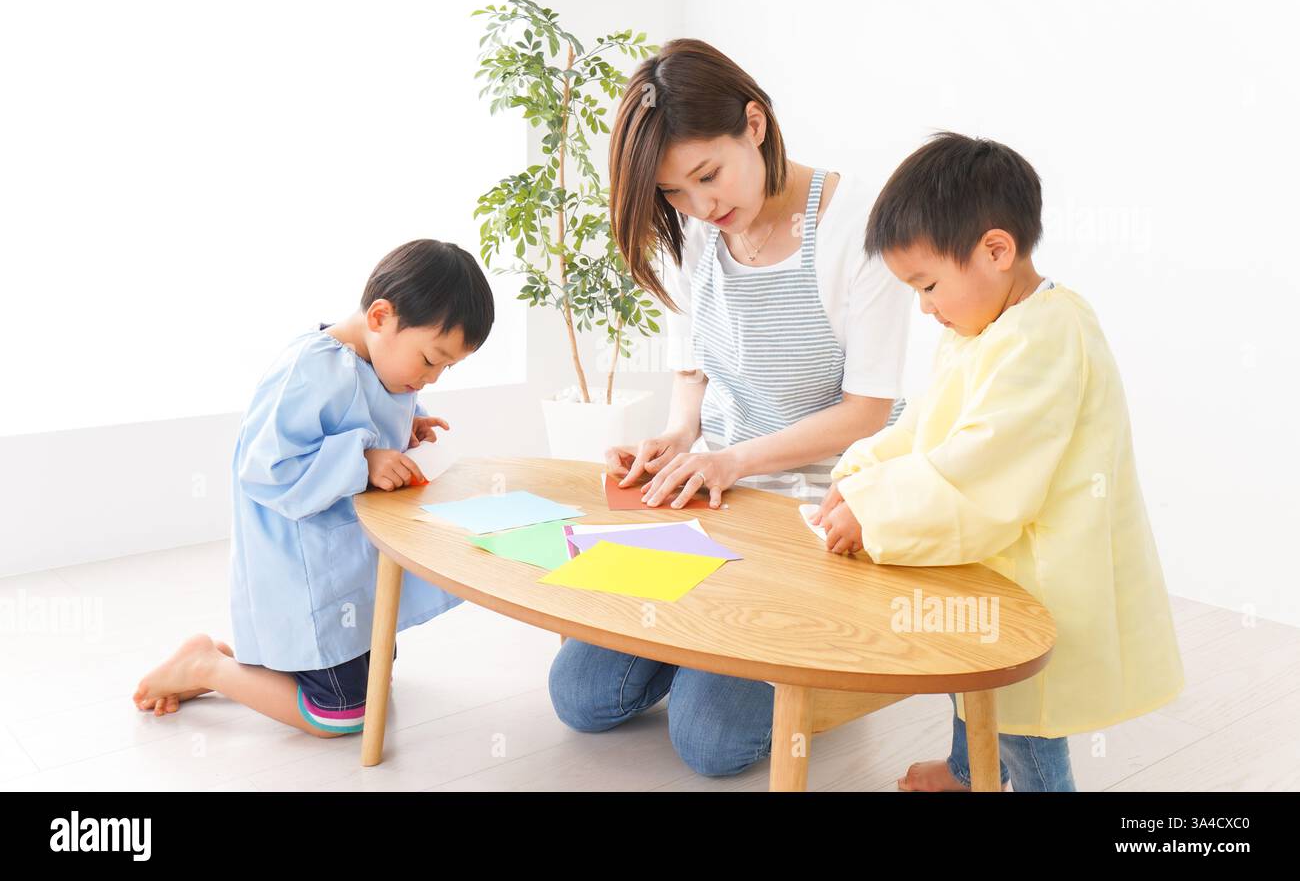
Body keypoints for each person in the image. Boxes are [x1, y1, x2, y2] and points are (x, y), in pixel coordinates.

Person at [549, 39, 913, 775]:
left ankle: (787, 662)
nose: (700, 205)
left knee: (710, 743)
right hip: (714, 500)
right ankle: (714, 647)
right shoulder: (698, 230)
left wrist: (731, 459)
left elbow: (869, 410)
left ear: (756, 124)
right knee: (581, 697)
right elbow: (696, 369)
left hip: (815, 515)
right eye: (676, 194)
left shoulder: (860, 224)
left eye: (707, 176)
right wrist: (678, 437)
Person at [814, 133, 1185, 790]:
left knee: (1024, 715)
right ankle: (965, 771)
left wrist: (873, 511)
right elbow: (930, 425)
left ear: (996, 250)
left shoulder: (1047, 337)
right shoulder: (980, 327)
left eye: (927, 285)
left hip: (1044, 569)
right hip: (997, 561)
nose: (924, 308)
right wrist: (860, 473)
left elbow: (982, 467)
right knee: (974, 675)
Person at [132, 239, 494, 736]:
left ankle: (255, 668)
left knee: (376, 667)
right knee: (343, 715)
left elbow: (362, 415)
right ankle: (207, 666)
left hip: (346, 562)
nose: (431, 378)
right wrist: (364, 460)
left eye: (446, 368)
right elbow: (266, 467)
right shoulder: (313, 369)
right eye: (431, 359)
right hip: (304, 563)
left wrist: (406, 429)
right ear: (381, 317)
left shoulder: (379, 365)